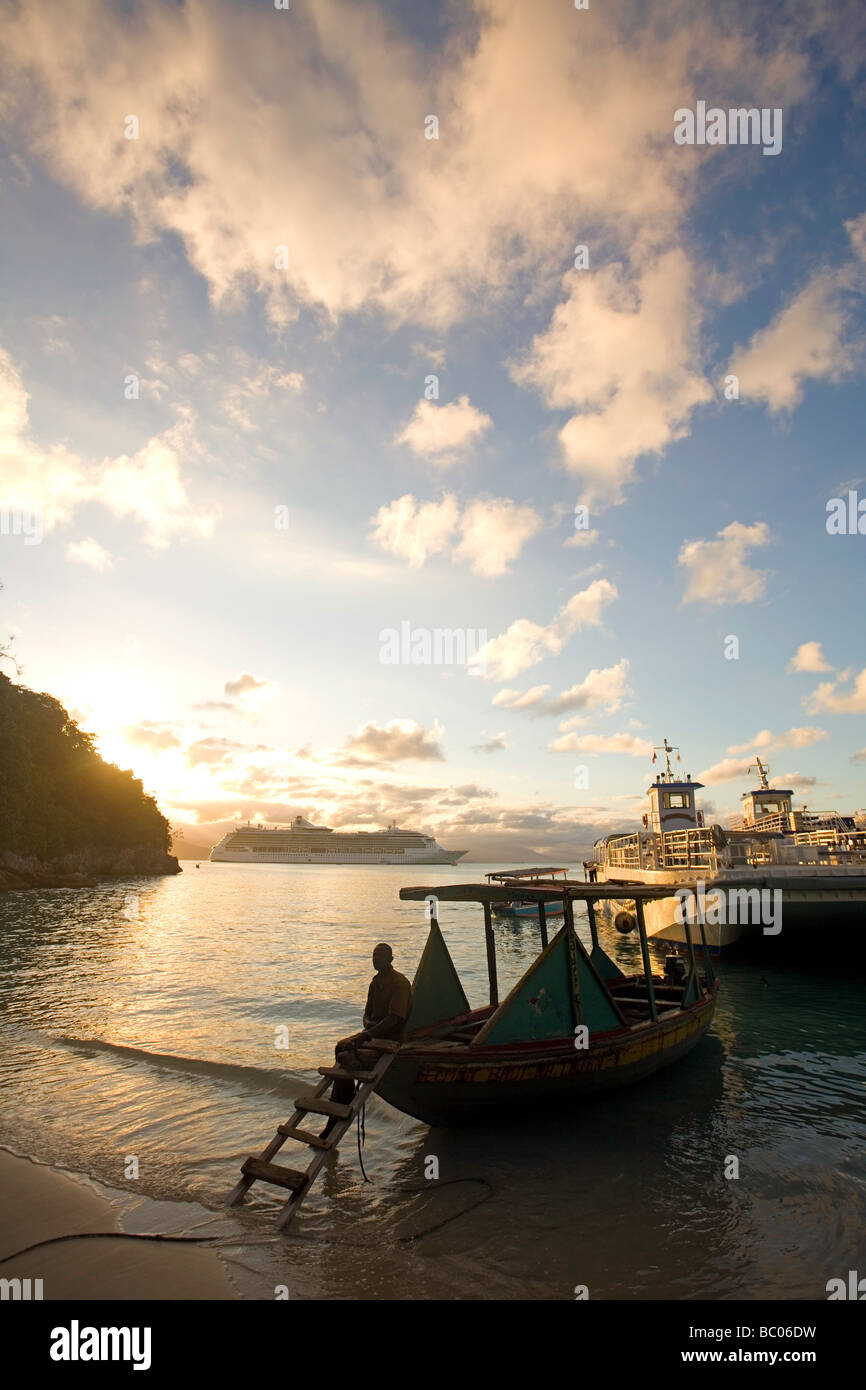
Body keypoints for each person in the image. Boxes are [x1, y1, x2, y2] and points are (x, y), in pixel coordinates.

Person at [323, 943, 411, 1132]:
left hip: (391, 1038)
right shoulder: (374, 982)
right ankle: (341, 1101)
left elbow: (394, 1019)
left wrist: (368, 1032)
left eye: (380, 956)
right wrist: (368, 1028)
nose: (376, 959)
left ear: (390, 960)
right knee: (341, 1047)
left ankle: (340, 1104)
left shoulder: (400, 983)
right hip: (374, 1034)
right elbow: (366, 1015)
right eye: (374, 956)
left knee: (350, 1055)